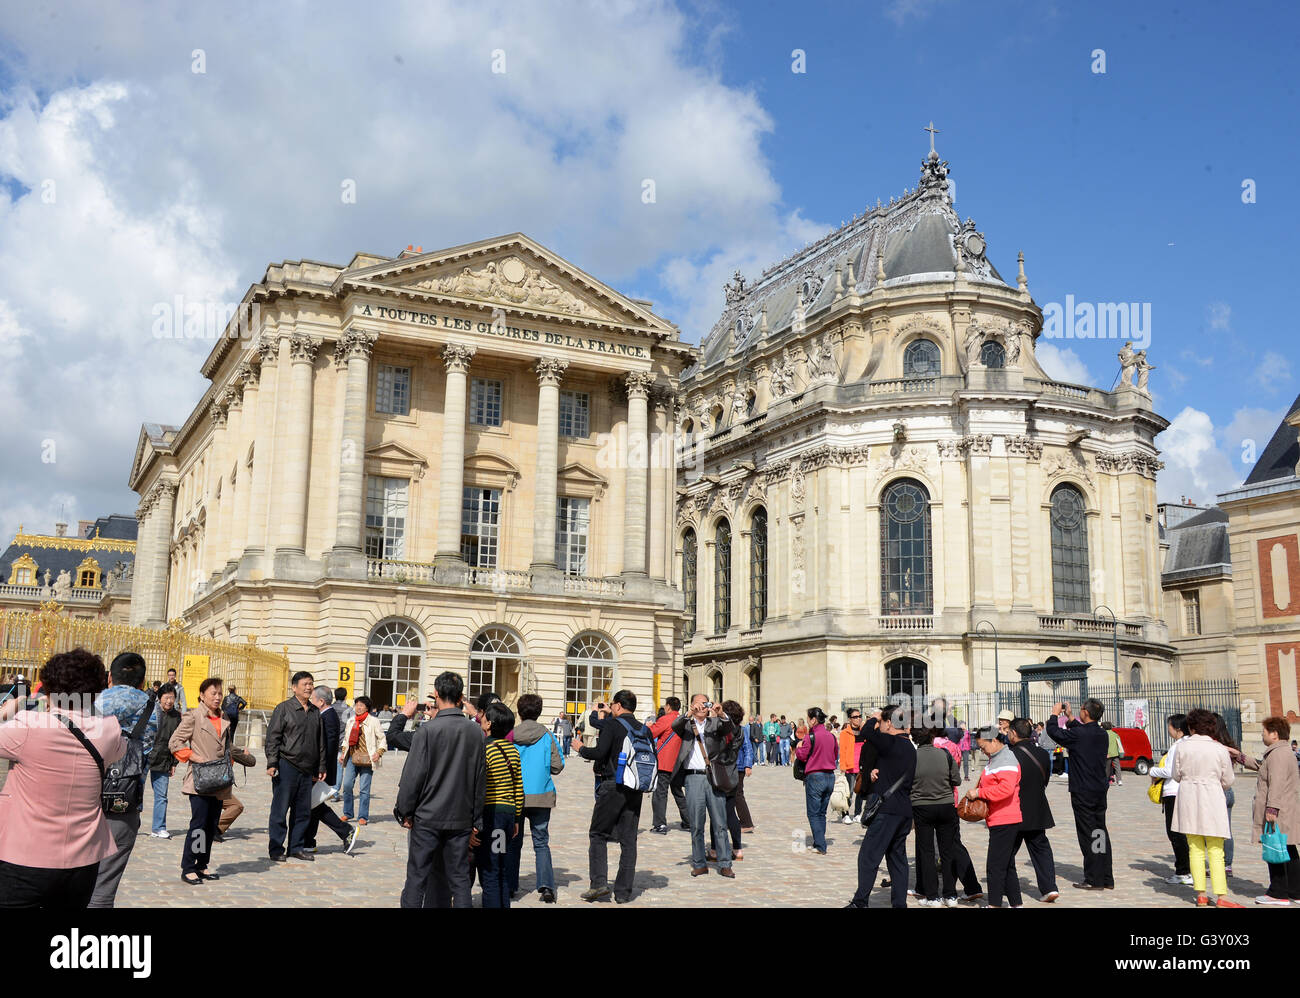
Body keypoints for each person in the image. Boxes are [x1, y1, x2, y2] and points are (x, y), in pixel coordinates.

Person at [0, 649, 127, 908]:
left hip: (26, 857)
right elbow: (116, 749)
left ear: (49, 687)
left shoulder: (27, 725)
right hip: (83, 859)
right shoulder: (109, 729)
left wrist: (7, 710)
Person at [397, 671, 485, 908]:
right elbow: (480, 778)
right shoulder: (476, 732)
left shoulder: (428, 730)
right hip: (460, 816)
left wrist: (404, 810)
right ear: (461, 696)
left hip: (428, 815)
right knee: (459, 879)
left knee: (417, 877)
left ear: (436, 694)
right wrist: (477, 818)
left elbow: (413, 775)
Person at [169, 676, 256, 885]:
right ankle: (189, 867)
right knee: (198, 825)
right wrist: (193, 756)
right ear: (202, 695)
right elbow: (175, 742)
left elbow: (226, 746)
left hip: (219, 780)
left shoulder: (224, 717)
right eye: (213, 694)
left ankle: (202, 864)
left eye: (220, 693)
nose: (217, 698)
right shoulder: (194, 716)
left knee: (210, 825)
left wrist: (241, 757)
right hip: (200, 780)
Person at [89, 651, 158, 908]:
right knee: (104, 886)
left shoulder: (92, 703)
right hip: (126, 801)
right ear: (142, 682)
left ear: (109, 677)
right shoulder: (154, 708)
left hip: (87, 798)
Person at [579, 689, 650, 903]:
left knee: (598, 834)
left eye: (612, 705)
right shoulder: (644, 728)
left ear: (618, 705)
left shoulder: (612, 725)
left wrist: (581, 748)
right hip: (636, 787)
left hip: (614, 785)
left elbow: (600, 753)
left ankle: (599, 884)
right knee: (629, 839)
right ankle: (623, 892)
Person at [846, 704, 916, 909]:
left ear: (889, 723)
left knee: (868, 856)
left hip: (887, 811)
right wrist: (878, 773)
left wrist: (873, 718)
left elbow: (865, 732)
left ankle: (860, 902)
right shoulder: (909, 747)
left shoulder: (890, 741)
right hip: (904, 810)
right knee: (897, 859)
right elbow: (895, 771)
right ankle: (899, 904)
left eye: (883, 722)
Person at [1171, 708, 1242, 907]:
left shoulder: (1182, 748)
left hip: (1189, 797)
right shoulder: (1219, 749)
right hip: (1212, 797)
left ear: (1191, 727)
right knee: (1215, 849)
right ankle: (1221, 896)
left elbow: (1176, 775)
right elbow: (1228, 780)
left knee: (1194, 848)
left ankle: (1201, 894)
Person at [1231, 716, 1300, 905]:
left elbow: (1276, 783)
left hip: (1279, 809)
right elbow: (1263, 768)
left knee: (1275, 847)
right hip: (1286, 808)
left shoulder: (1278, 754)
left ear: (1274, 734)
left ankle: (1278, 892)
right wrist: (1240, 756)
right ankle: (1295, 890)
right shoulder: (1282, 752)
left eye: (1264, 732)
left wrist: (1272, 808)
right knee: (1288, 848)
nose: (1262, 735)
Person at [1046, 698, 1113, 890]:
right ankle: (1105, 876)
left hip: (1083, 790)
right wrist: (1070, 717)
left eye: (1082, 709)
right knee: (1099, 831)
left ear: (1086, 712)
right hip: (1099, 790)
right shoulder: (1102, 733)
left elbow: (1054, 732)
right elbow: (1082, 732)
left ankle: (1093, 878)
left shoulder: (1079, 734)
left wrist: (1054, 714)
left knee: (1088, 834)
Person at [670, 694, 736, 878]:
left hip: (713, 777)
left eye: (705, 703)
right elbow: (674, 726)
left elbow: (729, 728)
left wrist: (721, 713)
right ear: (692, 705)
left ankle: (725, 863)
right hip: (693, 779)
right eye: (698, 703)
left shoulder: (714, 724)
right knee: (697, 824)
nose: (702, 707)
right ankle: (699, 863)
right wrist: (689, 712)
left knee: (720, 823)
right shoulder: (686, 725)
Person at [265, 671, 327, 862]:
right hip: (286, 766)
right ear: (294, 687)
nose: (309, 687)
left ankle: (296, 847)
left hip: (307, 769)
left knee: (302, 812)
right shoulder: (283, 709)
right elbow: (273, 737)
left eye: (311, 684)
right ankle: (276, 848)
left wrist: (321, 766)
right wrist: (272, 762)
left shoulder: (315, 711)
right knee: (280, 810)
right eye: (305, 684)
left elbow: (321, 742)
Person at [509, 693, 564, 903]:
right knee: (541, 842)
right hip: (541, 795)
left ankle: (510, 885)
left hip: (515, 796)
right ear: (539, 711)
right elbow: (558, 765)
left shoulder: (511, 735)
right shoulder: (547, 735)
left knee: (513, 842)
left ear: (519, 712)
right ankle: (546, 887)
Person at [965, 726, 1023, 907]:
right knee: (1007, 866)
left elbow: (1005, 789)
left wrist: (980, 793)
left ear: (995, 741)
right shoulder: (996, 759)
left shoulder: (1006, 759)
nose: (981, 750)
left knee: (995, 867)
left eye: (983, 746)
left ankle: (995, 904)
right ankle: (1016, 903)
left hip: (1005, 818)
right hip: (1000, 818)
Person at [473, 701, 523, 908]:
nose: (481, 718)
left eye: (484, 717)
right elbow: (518, 787)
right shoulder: (513, 750)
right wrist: (517, 818)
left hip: (491, 815)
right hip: (508, 816)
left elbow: (479, 788)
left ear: (490, 723)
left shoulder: (487, 750)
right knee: (501, 866)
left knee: (490, 870)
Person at [1006, 717, 1059, 902]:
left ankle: (1007, 885)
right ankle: (1049, 887)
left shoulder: (1009, 755)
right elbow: (1045, 780)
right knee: (1041, 849)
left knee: (1006, 851)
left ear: (1013, 733)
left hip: (1015, 810)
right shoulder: (1043, 754)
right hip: (1037, 808)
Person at [909, 726, 962, 907]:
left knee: (926, 852)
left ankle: (932, 896)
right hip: (946, 805)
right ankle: (950, 894)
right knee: (947, 852)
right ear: (932, 738)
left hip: (922, 807)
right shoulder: (945, 754)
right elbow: (957, 780)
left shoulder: (912, 757)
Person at [304, 686, 358, 855]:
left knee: (315, 805)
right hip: (321, 769)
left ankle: (345, 830)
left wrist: (319, 770)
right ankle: (309, 841)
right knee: (313, 804)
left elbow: (327, 747)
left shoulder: (328, 717)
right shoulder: (325, 715)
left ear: (320, 701)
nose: (311, 702)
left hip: (322, 770)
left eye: (312, 699)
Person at [1150, 714, 1192, 885]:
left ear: (1178, 728)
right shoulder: (1190, 743)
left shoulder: (1177, 746)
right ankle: (1187, 868)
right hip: (1185, 791)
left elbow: (1169, 771)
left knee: (1175, 832)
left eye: (1169, 726)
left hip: (1174, 791)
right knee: (1184, 832)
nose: (1168, 729)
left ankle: (1183, 871)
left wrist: (1153, 771)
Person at [795, 706, 837, 854]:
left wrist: (799, 747)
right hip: (830, 776)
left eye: (808, 718)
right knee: (821, 813)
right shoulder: (831, 736)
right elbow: (835, 754)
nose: (807, 721)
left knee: (813, 813)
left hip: (815, 776)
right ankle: (819, 840)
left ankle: (820, 845)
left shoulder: (810, 737)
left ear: (813, 719)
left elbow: (802, 755)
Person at [338, 695, 385, 825]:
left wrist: (378, 753)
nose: (358, 707)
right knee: (347, 786)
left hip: (368, 759)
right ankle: (348, 813)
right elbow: (346, 740)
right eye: (357, 705)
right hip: (352, 758)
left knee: (364, 789)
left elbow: (382, 739)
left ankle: (363, 816)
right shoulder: (351, 721)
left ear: (367, 708)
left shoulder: (373, 721)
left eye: (361, 705)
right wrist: (343, 753)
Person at [649, 696, 689, 834]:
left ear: (668, 707)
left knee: (660, 793)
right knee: (678, 792)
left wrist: (649, 726)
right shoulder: (684, 720)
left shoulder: (665, 719)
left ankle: (660, 824)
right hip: (679, 763)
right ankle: (688, 821)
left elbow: (651, 733)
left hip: (664, 762)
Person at [148, 683, 183, 839]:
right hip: (145, 756)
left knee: (162, 796)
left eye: (172, 698)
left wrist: (174, 763)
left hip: (163, 759)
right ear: (159, 697)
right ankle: (132, 824)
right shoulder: (150, 712)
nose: (169, 701)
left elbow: (179, 741)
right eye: (166, 697)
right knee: (134, 793)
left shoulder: (177, 717)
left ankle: (159, 827)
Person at [722, 701, 753, 858]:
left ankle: (746, 822)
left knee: (735, 797)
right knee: (735, 797)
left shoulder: (740, 730)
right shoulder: (727, 729)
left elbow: (748, 748)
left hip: (736, 768)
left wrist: (748, 765)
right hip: (733, 767)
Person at [1210, 713, 1239, 875]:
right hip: (1228, 791)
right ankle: (1225, 863)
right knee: (1226, 829)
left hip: (1219, 790)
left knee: (1217, 830)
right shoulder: (1225, 744)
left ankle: (1224, 862)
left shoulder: (1215, 746)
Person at [839, 708, 864, 823]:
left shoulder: (864, 732)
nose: (858, 719)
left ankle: (858, 813)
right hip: (849, 766)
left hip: (861, 766)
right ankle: (845, 814)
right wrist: (842, 767)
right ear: (850, 719)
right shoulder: (845, 733)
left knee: (859, 791)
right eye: (855, 717)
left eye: (859, 716)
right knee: (848, 792)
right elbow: (842, 751)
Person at [1102, 721, 1124, 786]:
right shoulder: (1115, 734)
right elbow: (1119, 744)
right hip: (1115, 753)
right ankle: (1119, 780)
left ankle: (1106, 780)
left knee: (1107, 768)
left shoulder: (1103, 734)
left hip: (1107, 754)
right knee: (1117, 767)